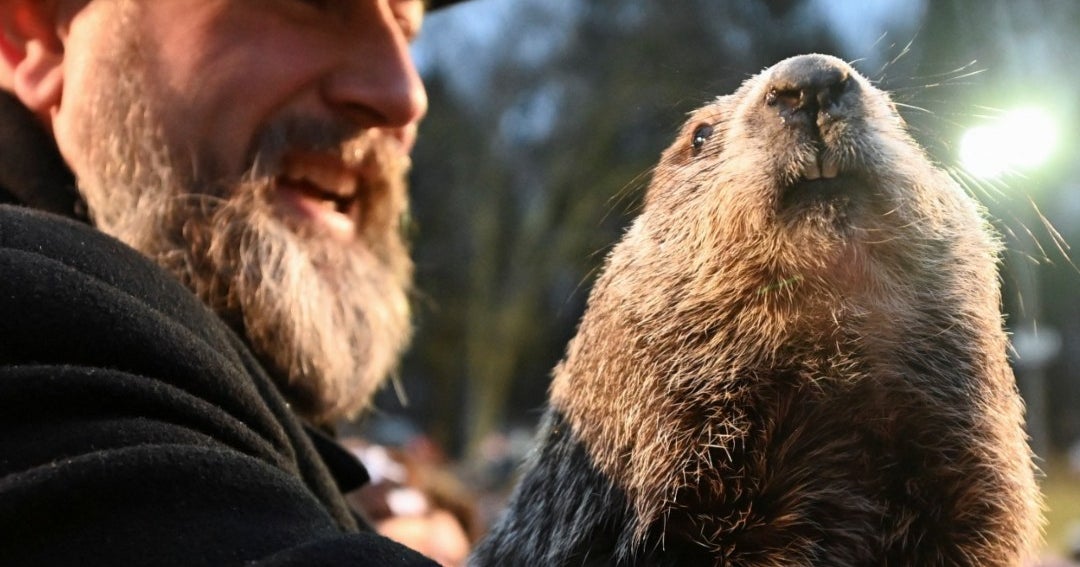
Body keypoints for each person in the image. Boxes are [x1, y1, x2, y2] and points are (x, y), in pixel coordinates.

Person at [0, 0, 464, 564]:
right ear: (37, 39)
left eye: (407, 27)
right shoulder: (29, 305)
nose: (404, 97)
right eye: (317, 6)